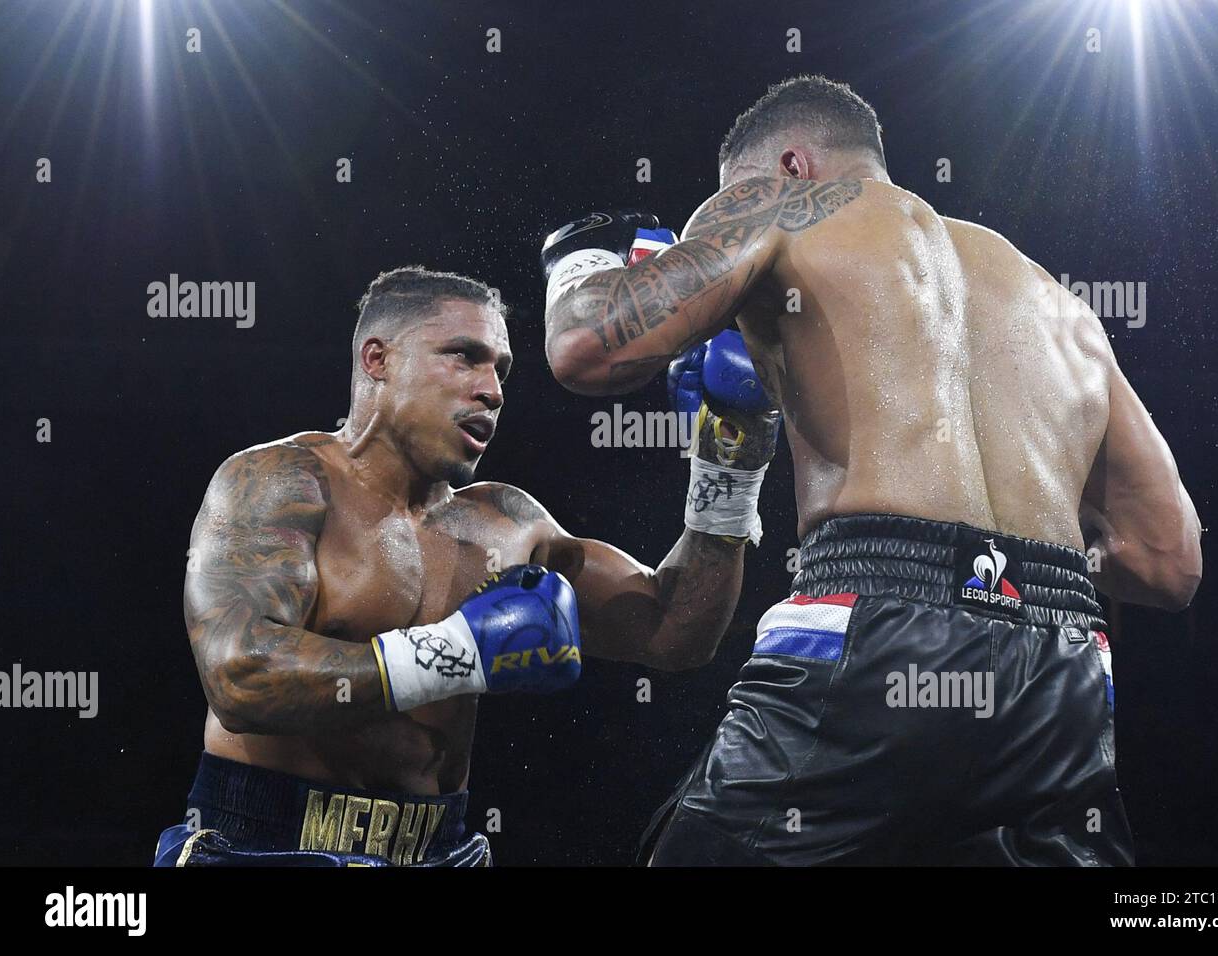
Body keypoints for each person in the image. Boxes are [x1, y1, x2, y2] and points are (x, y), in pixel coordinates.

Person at [540, 75, 1202, 865]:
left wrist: (580, 263)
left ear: (791, 164)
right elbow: (1168, 562)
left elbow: (584, 347)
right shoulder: (1060, 305)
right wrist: (1009, 572)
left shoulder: (784, 205)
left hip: (876, 624)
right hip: (1063, 660)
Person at [154, 265, 772, 866]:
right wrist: (458, 653)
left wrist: (729, 466)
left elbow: (674, 633)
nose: (493, 390)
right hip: (265, 843)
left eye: (500, 369)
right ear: (378, 360)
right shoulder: (281, 482)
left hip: (440, 850)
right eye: (463, 356)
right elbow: (239, 675)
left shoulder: (507, 522)